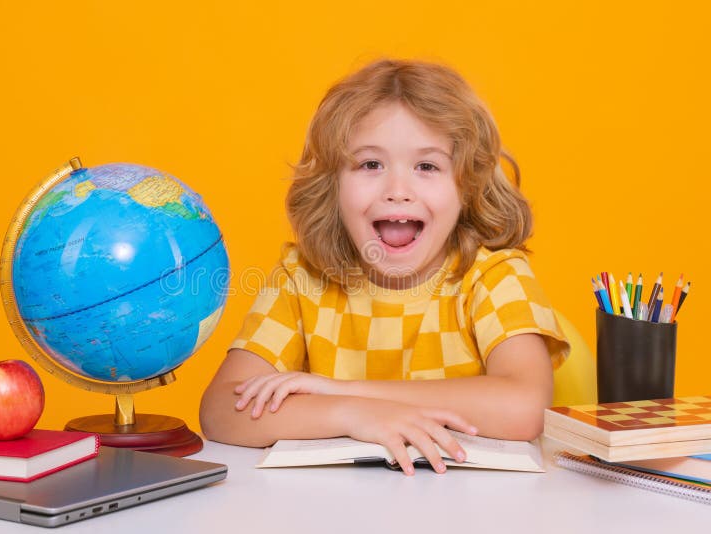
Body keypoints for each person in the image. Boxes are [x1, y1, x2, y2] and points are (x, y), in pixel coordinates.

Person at [200, 58, 570, 475]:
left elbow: (525, 406)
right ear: (332, 186)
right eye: (370, 164)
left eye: (427, 166)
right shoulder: (301, 278)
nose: (397, 191)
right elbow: (220, 410)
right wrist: (352, 414)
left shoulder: (494, 275)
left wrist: (344, 392)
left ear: (467, 188)